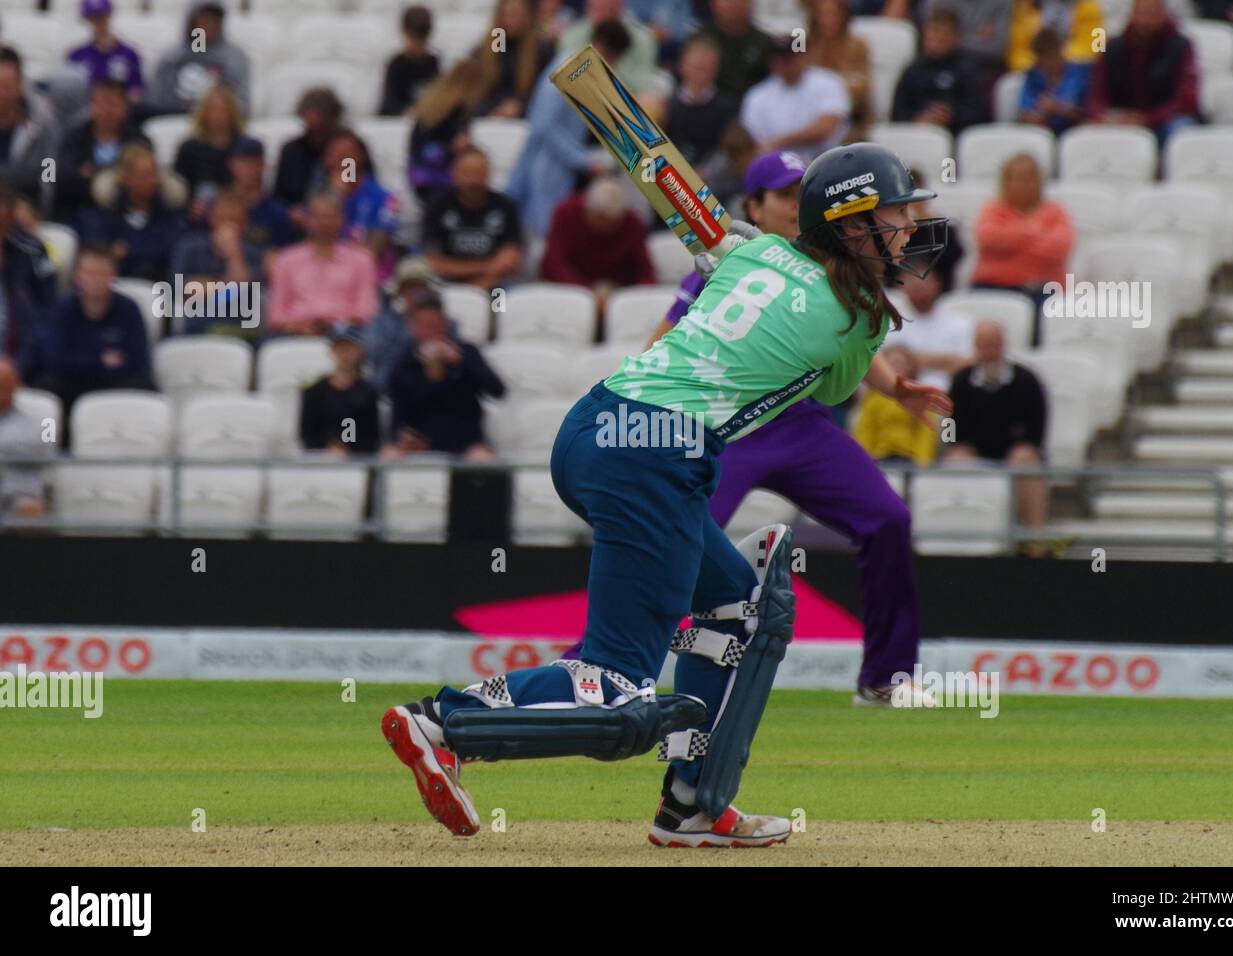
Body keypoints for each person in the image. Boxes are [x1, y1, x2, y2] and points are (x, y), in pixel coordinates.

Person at [379, 142, 952, 845]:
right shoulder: (859, 321)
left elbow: (762, 289)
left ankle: (694, 803)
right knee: (618, 691)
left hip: (598, 426)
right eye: (892, 217)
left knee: (741, 606)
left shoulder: (752, 255)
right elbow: (834, 385)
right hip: (655, 451)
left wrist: (745, 255)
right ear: (849, 224)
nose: (907, 233)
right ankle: (444, 723)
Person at [627, 149, 949, 706]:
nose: (797, 205)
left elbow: (844, 335)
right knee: (673, 535)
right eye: (783, 195)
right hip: (728, 427)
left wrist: (895, 386)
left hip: (800, 425)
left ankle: (886, 679)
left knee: (887, 519)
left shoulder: (842, 271)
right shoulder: (732, 262)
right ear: (753, 205)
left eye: (804, 192)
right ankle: (608, 669)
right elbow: (661, 344)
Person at [506, 20, 627, 236]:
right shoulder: (567, 70)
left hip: (565, 165)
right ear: (601, 47)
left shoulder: (586, 74)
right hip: (546, 164)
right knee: (540, 232)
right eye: (612, 59)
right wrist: (584, 161)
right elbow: (544, 126)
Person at [945, 320, 1049, 556]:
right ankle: (962, 543)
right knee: (957, 460)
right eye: (983, 345)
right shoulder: (961, 382)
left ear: (1003, 345)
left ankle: (1035, 544)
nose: (988, 352)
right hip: (975, 450)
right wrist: (959, 447)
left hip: (1015, 450)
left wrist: (1023, 446)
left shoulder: (1027, 381)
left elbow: (1036, 431)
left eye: (993, 345)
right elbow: (950, 426)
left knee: (1025, 460)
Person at [383, 289, 504, 460]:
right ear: (413, 327)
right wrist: (405, 438)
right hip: (420, 445)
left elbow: (497, 390)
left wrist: (460, 362)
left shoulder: (467, 353)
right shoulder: (405, 365)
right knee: (389, 455)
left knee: (481, 458)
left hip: (465, 444)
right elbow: (398, 419)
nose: (434, 331)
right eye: (426, 325)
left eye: (437, 324)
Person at [30, 244, 154, 409]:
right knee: (46, 384)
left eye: (102, 273)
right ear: (78, 277)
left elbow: (138, 361)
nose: (95, 279)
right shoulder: (63, 309)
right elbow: (55, 359)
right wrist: (99, 361)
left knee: (143, 385)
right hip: (72, 384)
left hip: (115, 385)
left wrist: (82, 360)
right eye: (89, 273)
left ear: (114, 276)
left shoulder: (129, 309)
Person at [970, 153, 1073, 339]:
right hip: (993, 287)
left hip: (1042, 291)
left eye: (1028, 179)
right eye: (1016, 179)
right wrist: (1034, 231)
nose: (1022, 185)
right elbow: (988, 239)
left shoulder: (1055, 212)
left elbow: (1058, 248)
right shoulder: (992, 210)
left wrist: (1011, 242)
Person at [1084, 0, 1200, 145]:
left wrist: (1146, 119)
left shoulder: (1181, 47)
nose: (1144, 20)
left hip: (1162, 120)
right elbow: (1095, 96)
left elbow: (1186, 102)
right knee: (1087, 129)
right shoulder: (1113, 47)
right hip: (1122, 121)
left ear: (1162, 15)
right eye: (1140, 13)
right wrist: (1103, 116)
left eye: (1151, 14)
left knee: (1179, 127)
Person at [267, 193, 379, 336]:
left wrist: (335, 324)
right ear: (307, 221)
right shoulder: (287, 260)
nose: (324, 223)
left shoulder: (362, 261)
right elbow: (276, 314)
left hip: (346, 334)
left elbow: (365, 310)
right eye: (318, 217)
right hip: (295, 332)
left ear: (342, 220)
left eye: (330, 217)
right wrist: (298, 326)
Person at [539, 176, 655, 312]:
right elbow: (553, 264)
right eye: (599, 218)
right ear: (587, 210)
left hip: (617, 296)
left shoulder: (632, 224)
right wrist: (588, 293)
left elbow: (645, 272)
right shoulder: (565, 214)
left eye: (609, 221)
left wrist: (626, 298)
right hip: (570, 292)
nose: (603, 226)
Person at [76, 144, 186, 283]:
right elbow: (99, 252)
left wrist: (129, 251)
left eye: (153, 175)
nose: (150, 181)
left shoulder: (169, 214)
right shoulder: (103, 216)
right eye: (142, 176)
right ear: (125, 178)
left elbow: (171, 251)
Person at [424, 147, 523, 291]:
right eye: (468, 173)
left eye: (480, 173)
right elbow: (434, 263)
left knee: (502, 304)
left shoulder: (505, 207)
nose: (474, 180)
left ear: (489, 174)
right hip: (446, 287)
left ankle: (497, 313)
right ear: (454, 174)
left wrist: (479, 285)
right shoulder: (437, 207)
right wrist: (488, 266)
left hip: (494, 285)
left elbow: (510, 261)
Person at [53, 77, 150, 224]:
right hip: (80, 210)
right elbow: (62, 178)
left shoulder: (138, 140)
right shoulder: (74, 138)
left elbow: (143, 180)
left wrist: (92, 173)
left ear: (125, 107)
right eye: (101, 103)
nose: (107, 110)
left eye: (113, 104)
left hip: (125, 213)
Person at [168, 190, 265, 337]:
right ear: (212, 219)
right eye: (224, 219)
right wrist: (230, 287)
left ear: (245, 224)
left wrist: (233, 255)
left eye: (236, 221)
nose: (229, 227)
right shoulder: (189, 248)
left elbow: (244, 287)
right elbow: (184, 289)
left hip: (240, 327)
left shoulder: (254, 254)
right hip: (198, 325)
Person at [739, 40, 851, 164]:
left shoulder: (828, 82)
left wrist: (782, 141)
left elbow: (827, 125)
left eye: (792, 57)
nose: (787, 63)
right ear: (772, 62)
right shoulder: (757, 95)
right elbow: (753, 141)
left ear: (805, 56)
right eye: (781, 59)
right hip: (779, 166)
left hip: (827, 161)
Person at [890, 7, 989, 134]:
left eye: (944, 34)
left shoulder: (969, 70)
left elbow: (980, 114)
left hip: (956, 136)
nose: (937, 39)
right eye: (933, 33)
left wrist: (950, 117)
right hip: (916, 134)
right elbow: (897, 113)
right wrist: (918, 120)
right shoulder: (912, 71)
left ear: (956, 38)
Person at [147, 0, 252, 117]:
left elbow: (241, 104)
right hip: (175, 118)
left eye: (214, 19)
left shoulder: (234, 58)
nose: (209, 24)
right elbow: (156, 100)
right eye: (204, 18)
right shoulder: (171, 58)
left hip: (217, 122)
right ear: (191, 21)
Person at [319, 130, 401, 280]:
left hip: (371, 277)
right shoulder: (320, 200)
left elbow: (373, 249)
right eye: (335, 155)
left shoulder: (386, 199)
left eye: (346, 155)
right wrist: (336, 197)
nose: (342, 161)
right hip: (325, 277)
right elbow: (316, 246)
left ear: (360, 157)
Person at [0, 180, 58, 380]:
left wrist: (19, 366)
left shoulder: (34, 251)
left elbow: (48, 309)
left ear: (10, 212)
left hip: (19, 354)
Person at [407, 59, 486, 205]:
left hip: (437, 178)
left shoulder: (455, 113)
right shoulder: (441, 114)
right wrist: (450, 148)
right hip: (431, 180)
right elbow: (423, 154)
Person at [300, 326, 381, 457]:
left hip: (357, 460)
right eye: (340, 348)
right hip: (320, 460)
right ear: (331, 351)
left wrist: (349, 448)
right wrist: (327, 447)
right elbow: (307, 433)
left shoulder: (368, 393)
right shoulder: (314, 392)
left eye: (350, 348)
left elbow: (372, 436)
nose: (345, 354)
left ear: (360, 351)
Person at [889, 269, 973, 393]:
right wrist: (945, 361)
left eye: (922, 284)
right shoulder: (890, 325)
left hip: (951, 394)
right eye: (913, 284)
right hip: (901, 396)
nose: (918, 288)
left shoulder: (960, 323)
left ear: (937, 284)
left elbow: (968, 365)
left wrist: (910, 359)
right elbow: (887, 364)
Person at [852, 345, 937, 465]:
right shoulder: (872, 399)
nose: (897, 367)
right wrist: (865, 460)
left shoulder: (919, 397)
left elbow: (926, 431)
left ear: (911, 366)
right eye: (892, 363)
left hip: (910, 458)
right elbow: (865, 429)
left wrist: (922, 462)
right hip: (879, 457)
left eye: (901, 363)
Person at [662, 36, 738, 169]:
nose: (700, 73)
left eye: (706, 68)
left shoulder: (727, 108)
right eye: (696, 67)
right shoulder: (668, 105)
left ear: (715, 70)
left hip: (709, 178)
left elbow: (726, 151)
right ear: (682, 66)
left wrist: (706, 171)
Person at [174, 84, 245, 224]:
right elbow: (179, 190)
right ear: (203, 113)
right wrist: (189, 206)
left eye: (223, 109)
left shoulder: (244, 147)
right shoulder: (189, 149)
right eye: (213, 109)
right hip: (197, 216)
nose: (218, 115)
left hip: (238, 217)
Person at [473, 0, 556, 120]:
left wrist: (521, 107)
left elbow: (545, 95)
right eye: (506, 14)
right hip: (489, 118)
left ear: (527, 15)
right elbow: (475, 91)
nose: (510, 20)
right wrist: (492, 111)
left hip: (527, 120)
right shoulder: (488, 49)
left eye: (516, 14)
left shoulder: (542, 50)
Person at [559, 0, 660, 96]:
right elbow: (568, 78)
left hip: (624, 102)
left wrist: (612, 69)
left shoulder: (643, 41)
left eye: (607, 9)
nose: (600, 17)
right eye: (596, 8)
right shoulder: (571, 36)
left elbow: (644, 87)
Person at [0, 48, 60, 208]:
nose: (2, 94)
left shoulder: (44, 128)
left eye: (7, 86)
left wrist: (36, 210)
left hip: (27, 209)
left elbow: (49, 178)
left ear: (20, 87)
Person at [274, 88, 345, 213]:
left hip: (342, 217)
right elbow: (279, 194)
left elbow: (355, 182)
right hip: (299, 221)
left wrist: (342, 186)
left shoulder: (348, 149)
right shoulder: (291, 151)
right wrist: (291, 211)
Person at [806, 0, 873, 132]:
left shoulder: (857, 45)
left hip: (849, 115)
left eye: (832, 14)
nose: (826, 20)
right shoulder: (805, 43)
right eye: (821, 14)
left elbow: (862, 87)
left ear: (844, 16)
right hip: (809, 113)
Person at [365, 255, 431, 390]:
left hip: (431, 392)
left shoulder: (444, 323)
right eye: (408, 288)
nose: (414, 293)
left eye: (420, 287)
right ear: (400, 292)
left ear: (428, 291)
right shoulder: (382, 323)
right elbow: (375, 355)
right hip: (389, 385)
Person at [0, 355, 53, 518]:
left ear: (17, 386)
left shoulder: (45, 419)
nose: (3, 394)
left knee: (31, 510)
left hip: (20, 490)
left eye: (7, 388)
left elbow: (46, 450)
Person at [1017, 26, 1091, 134]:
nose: (1046, 64)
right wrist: (1039, 116)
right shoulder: (1032, 76)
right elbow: (1023, 114)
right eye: (1041, 59)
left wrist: (1058, 108)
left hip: (1072, 132)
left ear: (1059, 52)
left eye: (1050, 57)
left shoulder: (1079, 74)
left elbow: (1085, 114)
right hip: (1040, 133)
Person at [66, 0, 146, 100]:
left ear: (109, 16)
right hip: (86, 110)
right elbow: (70, 90)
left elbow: (137, 89)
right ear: (88, 20)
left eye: (102, 16)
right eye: (94, 18)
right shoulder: (77, 56)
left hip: (121, 109)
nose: (99, 22)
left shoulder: (129, 54)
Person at [693, 0, 771, 102]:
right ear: (713, 4)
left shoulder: (764, 43)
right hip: (709, 109)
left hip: (753, 108)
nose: (734, 4)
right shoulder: (700, 40)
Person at [226, 136, 296, 249]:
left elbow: (285, 254)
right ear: (231, 164)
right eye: (244, 162)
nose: (250, 168)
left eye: (255, 163)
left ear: (263, 166)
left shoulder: (278, 212)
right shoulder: (217, 206)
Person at [379, 5, 441, 117]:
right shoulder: (396, 65)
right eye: (413, 40)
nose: (417, 46)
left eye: (421, 42)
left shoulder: (433, 63)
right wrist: (407, 112)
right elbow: (389, 103)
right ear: (405, 33)